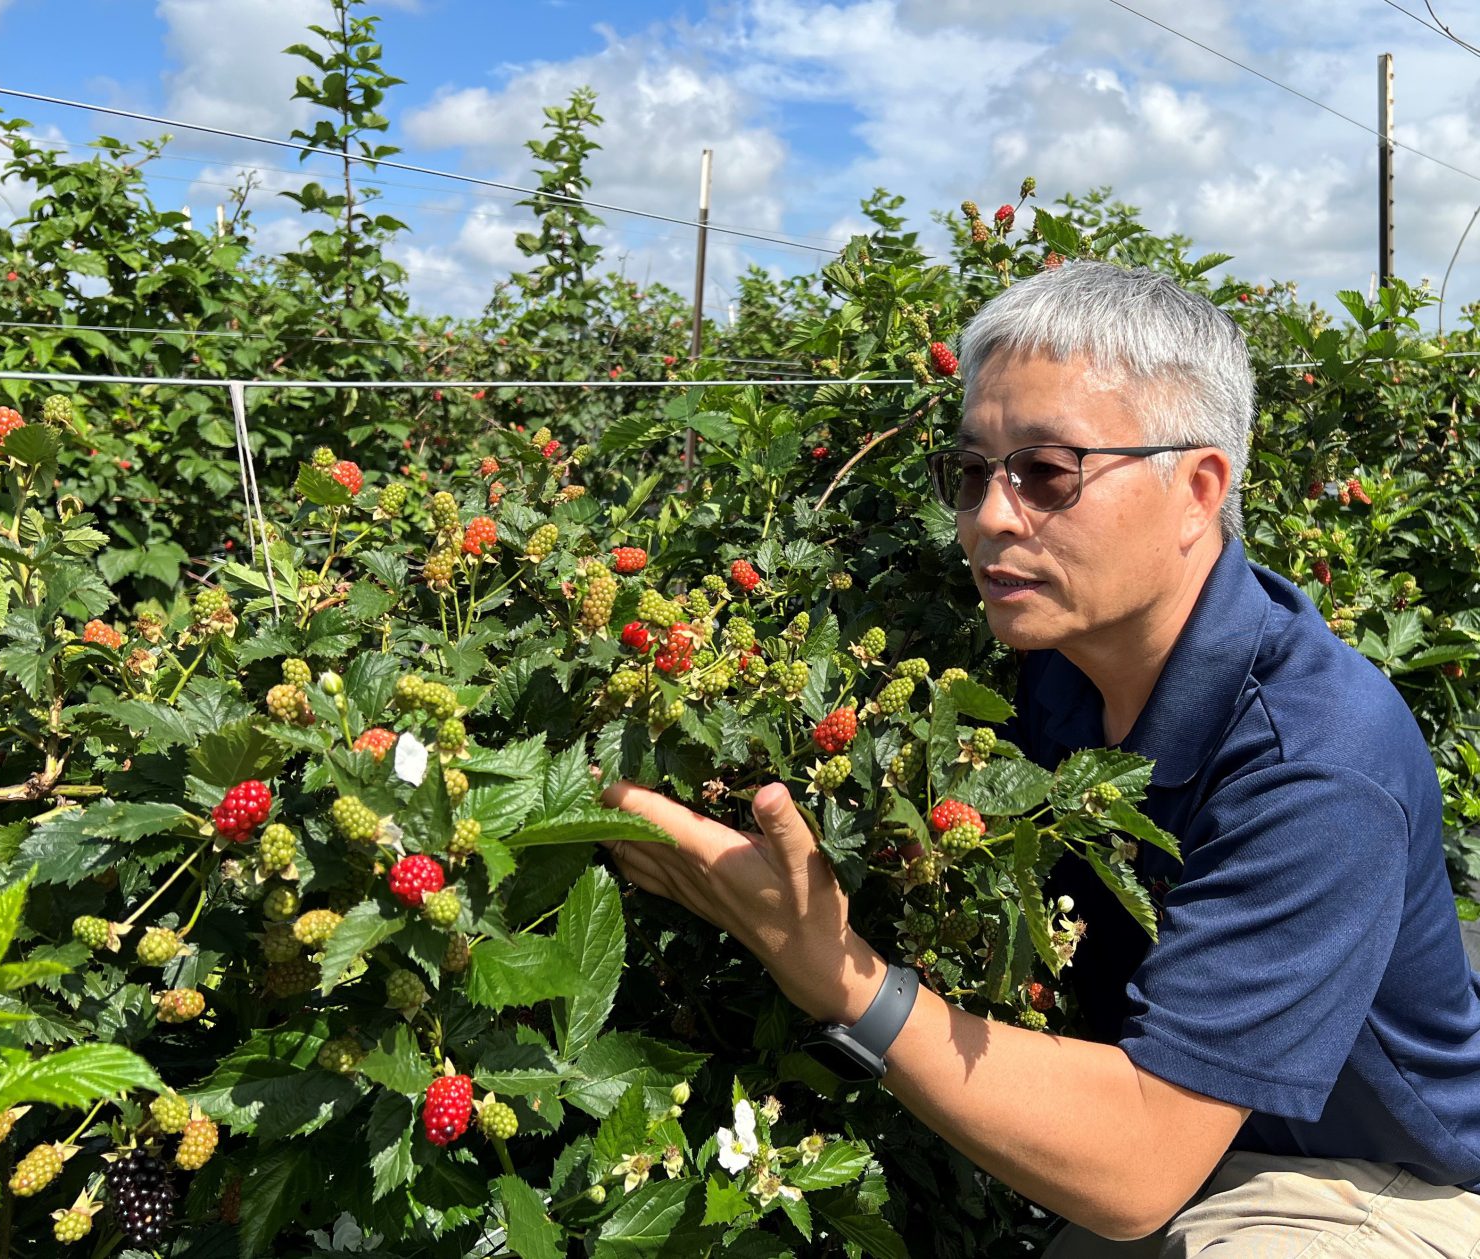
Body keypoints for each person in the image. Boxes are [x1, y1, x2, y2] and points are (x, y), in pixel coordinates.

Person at [601, 261, 1480, 1256]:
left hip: (1370, 1185)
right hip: (1182, 1138)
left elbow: (1141, 1159)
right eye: (973, 472)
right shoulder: (1058, 669)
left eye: (1047, 471)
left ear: (1198, 489)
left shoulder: (1319, 758)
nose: (990, 516)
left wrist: (840, 973)